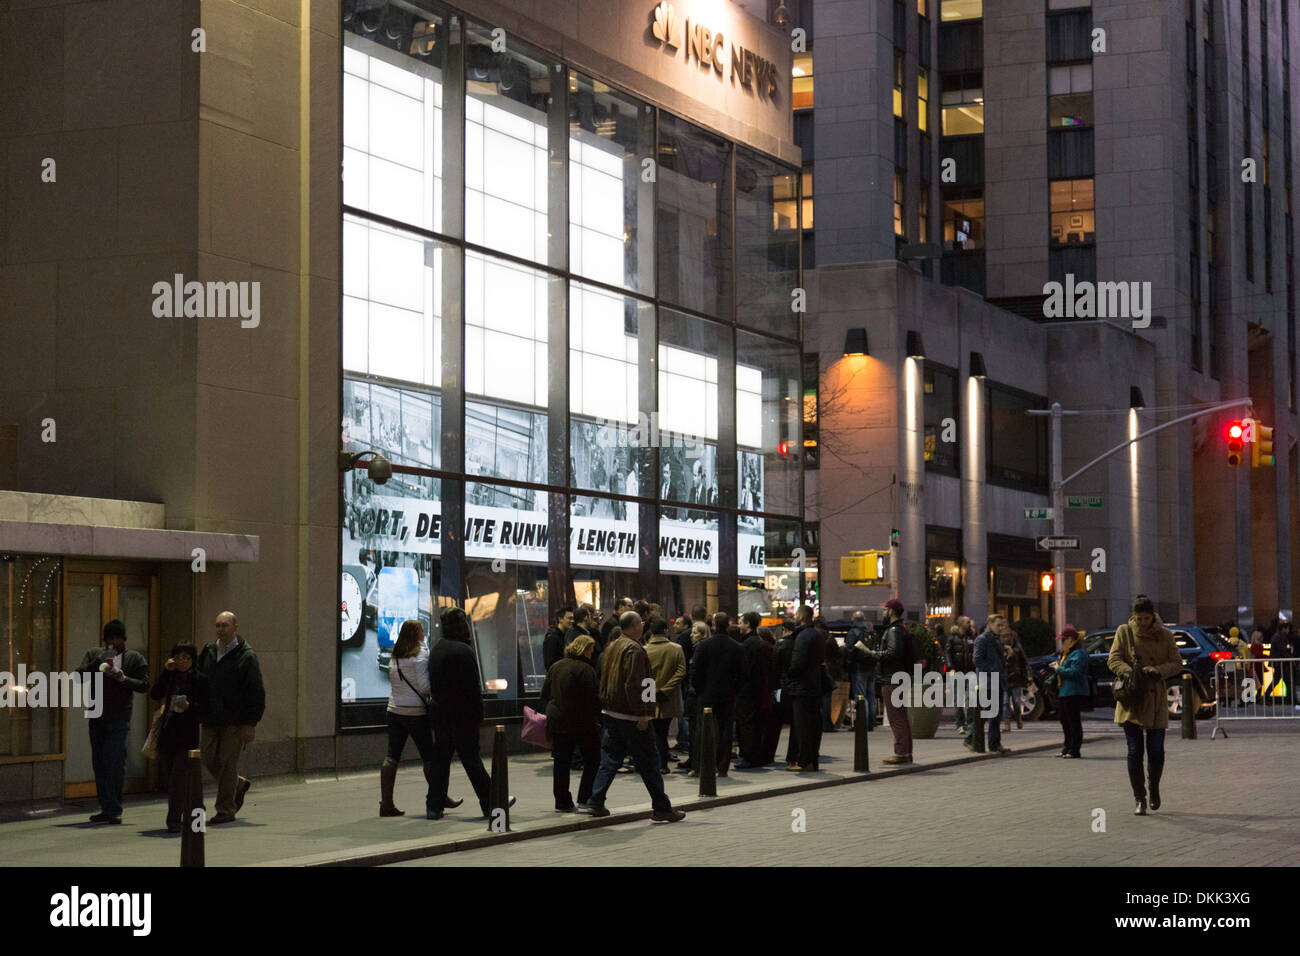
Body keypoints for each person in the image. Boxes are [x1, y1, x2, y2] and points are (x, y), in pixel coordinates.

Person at [586, 612, 685, 822]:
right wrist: (645, 713)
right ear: (636, 627)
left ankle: (595, 801)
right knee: (650, 761)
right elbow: (641, 683)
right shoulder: (635, 650)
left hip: (611, 712)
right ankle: (662, 808)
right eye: (641, 622)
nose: (643, 624)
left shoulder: (612, 646)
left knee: (610, 759)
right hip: (631, 716)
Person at [427, 607, 512, 820]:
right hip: (463, 716)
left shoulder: (437, 649)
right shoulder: (464, 651)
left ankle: (433, 806)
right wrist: (479, 715)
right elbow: (472, 689)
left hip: (441, 715)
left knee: (441, 762)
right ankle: (492, 801)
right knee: (472, 761)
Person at [1107, 594, 1182, 815]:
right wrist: (1132, 673)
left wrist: (1157, 670)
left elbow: (1177, 663)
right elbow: (1113, 659)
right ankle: (1139, 797)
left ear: (1152, 617)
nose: (1141, 623)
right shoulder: (1125, 632)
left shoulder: (1165, 635)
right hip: (1132, 698)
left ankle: (1154, 788)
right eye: (1138, 618)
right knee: (1134, 751)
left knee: (1156, 750)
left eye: (1145, 618)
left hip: (1155, 697)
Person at [382, 620, 461, 818]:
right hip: (416, 713)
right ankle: (439, 796)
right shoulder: (420, 654)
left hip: (395, 711)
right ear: (416, 635)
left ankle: (387, 803)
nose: (424, 634)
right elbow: (425, 687)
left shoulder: (396, 656)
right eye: (422, 631)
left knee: (392, 757)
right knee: (429, 758)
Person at [74, 619, 149, 825]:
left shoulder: (133, 658)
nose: (113, 643)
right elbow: (77, 677)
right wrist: (97, 663)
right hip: (96, 715)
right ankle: (106, 807)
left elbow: (143, 685)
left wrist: (123, 678)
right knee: (99, 763)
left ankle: (114, 807)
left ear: (124, 639)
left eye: (117, 638)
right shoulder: (94, 654)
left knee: (115, 762)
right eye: (109, 639)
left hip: (119, 717)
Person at [197, 611, 265, 825]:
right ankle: (237, 785)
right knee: (207, 757)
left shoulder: (246, 656)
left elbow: (256, 692)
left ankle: (225, 810)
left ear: (235, 627)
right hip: (210, 718)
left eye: (225, 625)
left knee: (227, 763)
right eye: (217, 625)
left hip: (235, 720)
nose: (220, 629)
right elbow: (198, 681)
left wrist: (250, 723)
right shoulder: (208, 652)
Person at [540, 634, 602, 813]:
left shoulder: (556, 666)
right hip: (581, 722)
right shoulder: (585, 669)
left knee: (561, 762)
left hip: (557, 721)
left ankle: (562, 801)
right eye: (591, 649)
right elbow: (593, 699)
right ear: (584, 649)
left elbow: (545, 694)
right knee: (593, 759)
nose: (592, 653)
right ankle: (585, 797)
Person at [150, 642, 207, 832]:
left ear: (192, 660)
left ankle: (173, 821)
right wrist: (166, 671)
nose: (182, 662)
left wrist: (189, 707)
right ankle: (196, 812)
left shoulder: (200, 679)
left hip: (187, 736)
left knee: (177, 780)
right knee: (175, 779)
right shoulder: (171, 677)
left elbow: (207, 709)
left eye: (186, 658)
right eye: (178, 657)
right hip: (168, 733)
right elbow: (154, 693)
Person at [691, 612, 747, 776]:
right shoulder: (737, 647)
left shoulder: (704, 645)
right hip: (728, 695)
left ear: (714, 624)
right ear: (728, 624)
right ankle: (722, 766)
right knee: (725, 730)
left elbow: (696, 672)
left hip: (707, 694)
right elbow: (744, 675)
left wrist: (700, 690)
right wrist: (735, 690)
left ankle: (704, 765)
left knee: (705, 730)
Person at [858, 600, 913, 764]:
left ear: (892, 611)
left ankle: (901, 753)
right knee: (902, 716)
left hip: (892, 678)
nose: (883, 613)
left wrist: (872, 653)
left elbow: (892, 653)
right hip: (899, 677)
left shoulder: (894, 630)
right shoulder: (901, 629)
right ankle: (906, 752)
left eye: (885, 610)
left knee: (896, 717)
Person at [785, 605, 825, 771]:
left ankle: (804, 761)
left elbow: (797, 663)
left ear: (801, 616)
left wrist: (789, 674)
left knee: (803, 727)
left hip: (802, 687)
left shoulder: (802, 636)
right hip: (814, 685)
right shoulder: (817, 634)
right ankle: (811, 760)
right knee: (813, 725)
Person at [644, 618, 686, 773]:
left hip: (649, 695)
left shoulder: (644, 649)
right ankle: (662, 762)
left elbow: (641, 675)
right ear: (666, 630)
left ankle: (658, 763)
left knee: (654, 732)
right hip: (669, 697)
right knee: (663, 731)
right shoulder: (676, 649)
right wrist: (666, 689)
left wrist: (651, 691)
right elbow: (681, 672)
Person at [968, 614, 1010, 755]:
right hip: (988, 681)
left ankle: (994, 743)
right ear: (990, 624)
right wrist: (994, 669)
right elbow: (977, 660)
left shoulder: (997, 639)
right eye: (998, 625)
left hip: (997, 680)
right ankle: (971, 738)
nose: (1001, 628)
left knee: (995, 715)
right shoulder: (983, 639)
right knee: (985, 713)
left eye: (1002, 625)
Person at [734, 611, 767, 767]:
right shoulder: (760, 642)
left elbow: (744, 669)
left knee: (746, 724)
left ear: (748, 624)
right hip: (758, 689)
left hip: (747, 691)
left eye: (741, 622)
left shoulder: (747, 644)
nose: (739, 625)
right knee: (756, 723)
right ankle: (755, 755)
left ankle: (748, 756)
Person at [1049, 626, 1087, 758]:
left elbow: (1074, 672)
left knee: (1073, 721)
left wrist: (1058, 668)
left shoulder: (1079, 654)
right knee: (1064, 720)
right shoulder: (1067, 653)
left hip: (1073, 691)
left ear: (1071, 639)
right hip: (1064, 691)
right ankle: (1067, 747)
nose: (1062, 642)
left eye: (1063, 639)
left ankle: (1074, 750)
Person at [844, 611, 877, 732]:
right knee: (871, 696)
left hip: (859, 668)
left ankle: (863, 723)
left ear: (853, 619)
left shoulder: (853, 632)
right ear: (864, 619)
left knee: (861, 696)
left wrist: (848, 665)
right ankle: (871, 723)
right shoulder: (870, 631)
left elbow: (850, 650)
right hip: (871, 667)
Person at [774, 616, 800, 767]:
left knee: (776, 722)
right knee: (795, 724)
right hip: (794, 687)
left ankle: (769, 754)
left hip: (782, 688)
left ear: (784, 629)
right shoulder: (797, 644)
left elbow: (775, 667)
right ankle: (792, 757)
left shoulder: (781, 644)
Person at [756, 627, 782, 764]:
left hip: (765, 692)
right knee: (772, 726)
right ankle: (768, 754)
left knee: (764, 725)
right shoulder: (775, 647)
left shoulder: (764, 650)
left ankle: (763, 754)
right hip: (774, 691)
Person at [945, 617, 977, 731]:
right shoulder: (952, 638)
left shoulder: (972, 637)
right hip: (958, 671)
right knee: (958, 699)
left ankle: (970, 722)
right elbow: (948, 654)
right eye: (967, 622)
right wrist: (951, 668)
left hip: (970, 671)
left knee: (971, 697)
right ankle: (960, 724)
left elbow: (975, 653)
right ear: (961, 624)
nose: (970, 623)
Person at [1003, 627, 1030, 731]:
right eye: (1004, 636)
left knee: (1016, 703)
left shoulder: (1017, 648)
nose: (1006, 638)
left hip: (1016, 679)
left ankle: (1018, 719)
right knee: (1005, 703)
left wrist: (1028, 676)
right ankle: (1007, 725)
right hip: (1004, 679)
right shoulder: (1000, 648)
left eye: (1008, 636)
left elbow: (1024, 662)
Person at [543, 605, 575, 672]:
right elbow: (549, 664)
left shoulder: (566, 636)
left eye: (573, 619)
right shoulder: (552, 637)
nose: (572, 621)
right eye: (569, 618)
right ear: (560, 619)